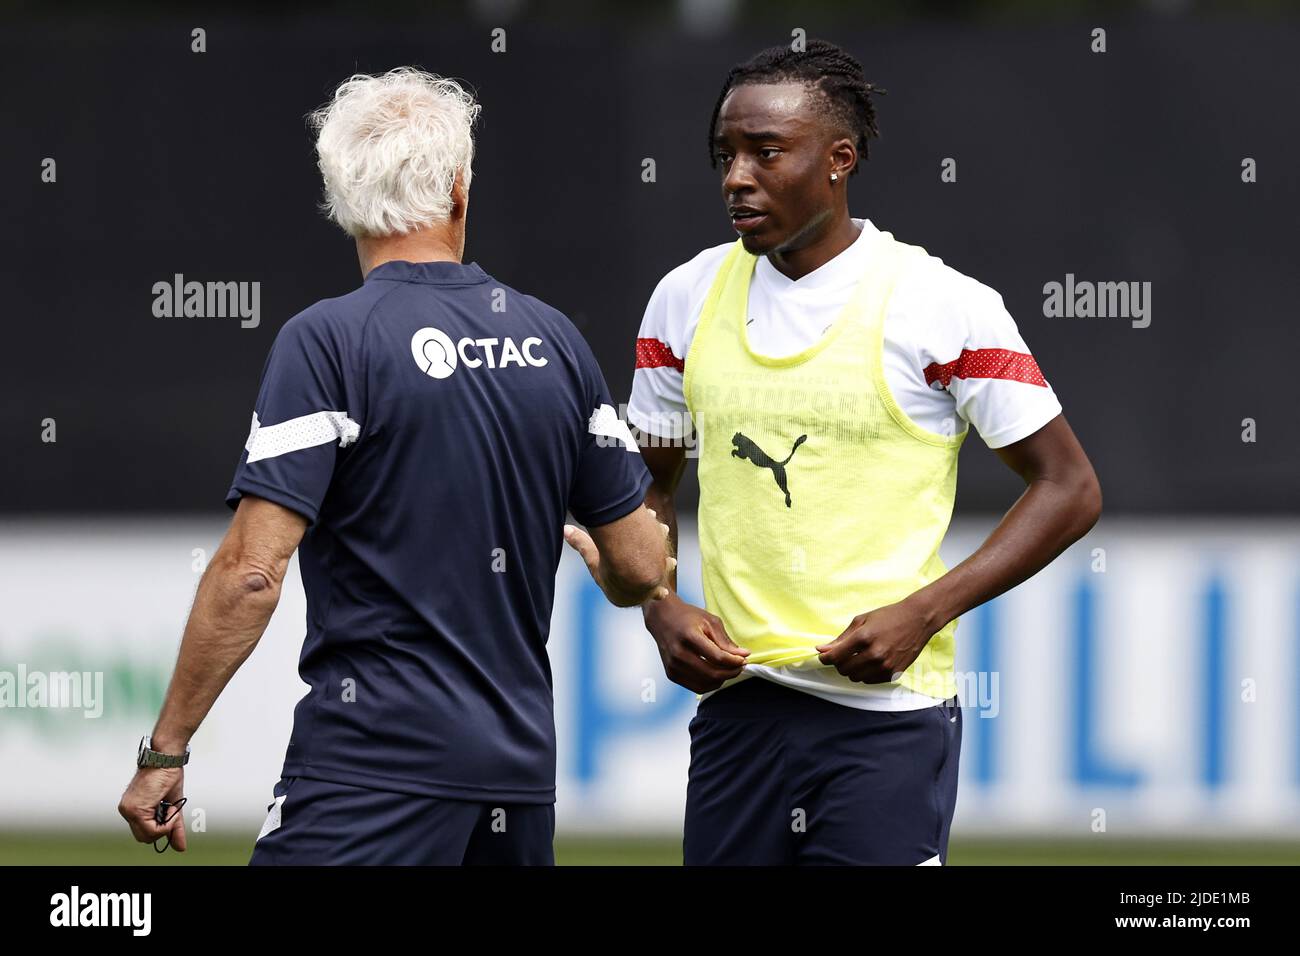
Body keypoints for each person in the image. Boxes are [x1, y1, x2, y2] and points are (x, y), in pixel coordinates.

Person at [117, 67, 672, 865]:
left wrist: (166, 749)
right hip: (516, 783)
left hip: (370, 774)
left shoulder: (327, 341)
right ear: (458, 189)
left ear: (340, 195)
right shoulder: (555, 339)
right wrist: (608, 560)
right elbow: (642, 565)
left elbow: (249, 574)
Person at [628, 40, 1102, 865]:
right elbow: (647, 486)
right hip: (739, 715)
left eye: (766, 152)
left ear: (839, 159)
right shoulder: (684, 297)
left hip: (885, 724)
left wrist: (926, 611)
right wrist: (658, 602)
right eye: (725, 155)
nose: (736, 177)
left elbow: (1069, 488)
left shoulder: (942, 305)